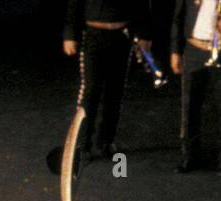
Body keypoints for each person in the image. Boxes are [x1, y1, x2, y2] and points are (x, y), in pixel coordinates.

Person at [63, 0, 154, 159]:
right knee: (90, 92)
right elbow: (74, 5)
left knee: (115, 92)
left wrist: (144, 35)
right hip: (93, 35)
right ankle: (83, 144)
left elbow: (142, 5)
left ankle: (106, 141)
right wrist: (70, 35)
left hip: (122, 36)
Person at [172, 0, 221, 174]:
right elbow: (178, 17)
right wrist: (175, 50)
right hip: (194, 48)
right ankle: (189, 155)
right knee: (190, 105)